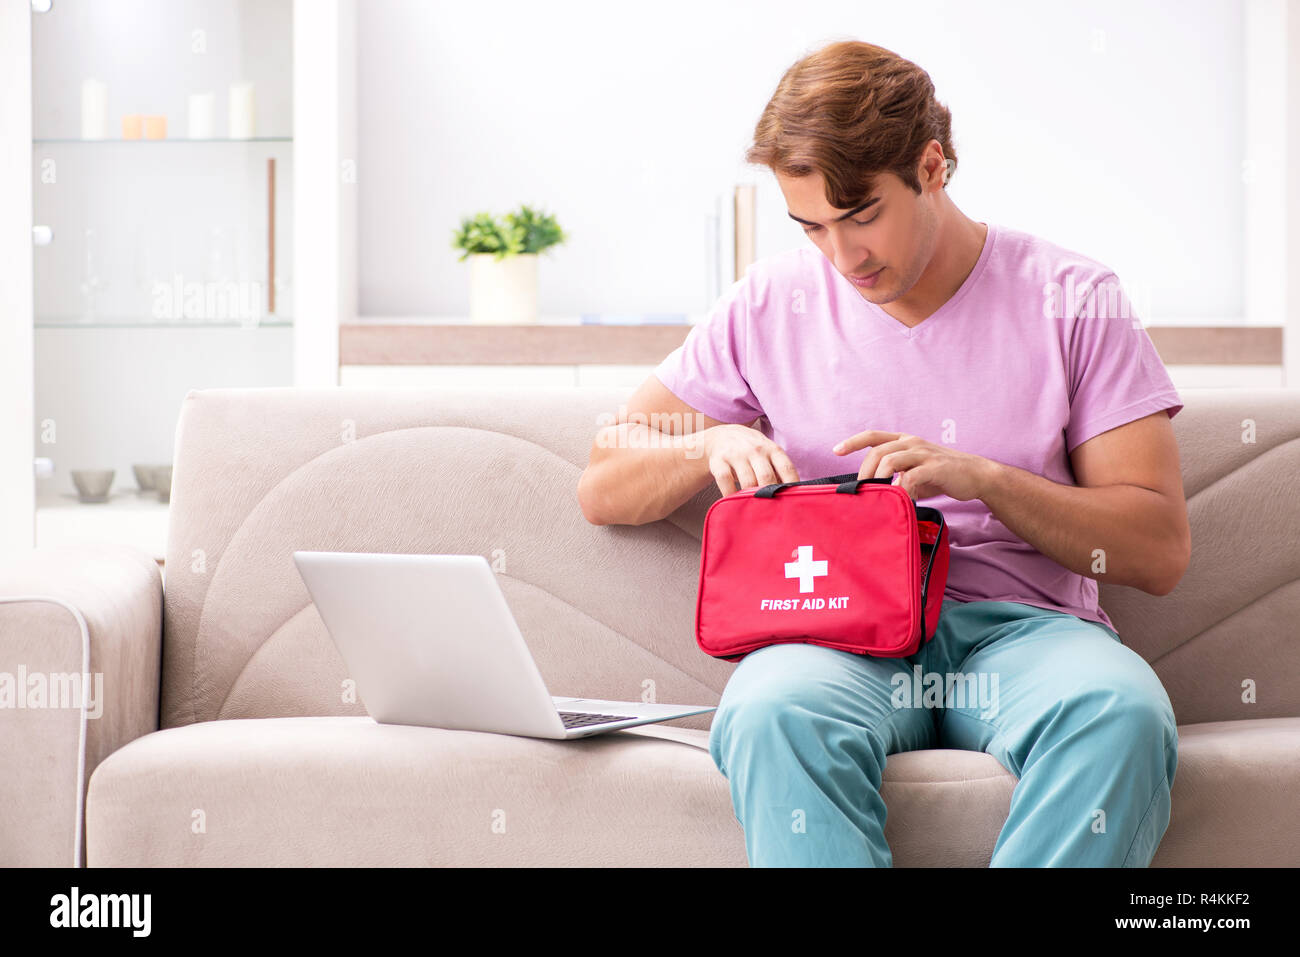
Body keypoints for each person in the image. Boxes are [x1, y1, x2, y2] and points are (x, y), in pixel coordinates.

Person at [577, 40, 1189, 867]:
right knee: (768, 710)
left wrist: (986, 479)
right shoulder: (771, 302)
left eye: (862, 214)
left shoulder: (1076, 298)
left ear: (932, 166)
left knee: (1122, 714)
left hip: (1027, 634)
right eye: (812, 226)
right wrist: (707, 441)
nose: (843, 258)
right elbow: (604, 474)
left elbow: (1157, 549)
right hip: (840, 636)